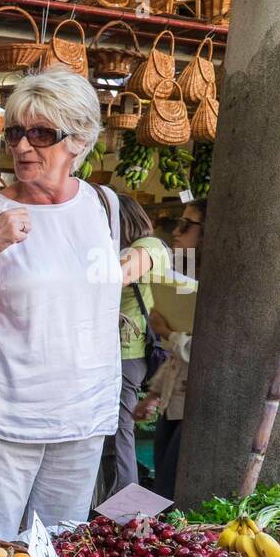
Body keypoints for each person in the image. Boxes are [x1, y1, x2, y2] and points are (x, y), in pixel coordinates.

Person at [0, 67, 121, 540]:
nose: (21, 146)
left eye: (40, 133)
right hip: (0, 421)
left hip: (80, 421)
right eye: (15, 132)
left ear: (78, 142)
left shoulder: (104, 206)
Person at [136, 199, 205, 498]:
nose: (177, 231)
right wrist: (153, 394)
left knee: (170, 488)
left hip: (195, 405)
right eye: (179, 222)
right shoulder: (187, 277)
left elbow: (206, 353)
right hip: (172, 401)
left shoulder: (215, 285)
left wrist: (168, 332)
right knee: (163, 484)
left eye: (187, 226)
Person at [104, 194, 172, 494]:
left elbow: (119, 275)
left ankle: (127, 505)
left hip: (127, 351)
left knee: (121, 430)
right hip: (117, 351)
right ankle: (109, 500)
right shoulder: (138, 248)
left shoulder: (147, 246)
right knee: (111, 431)